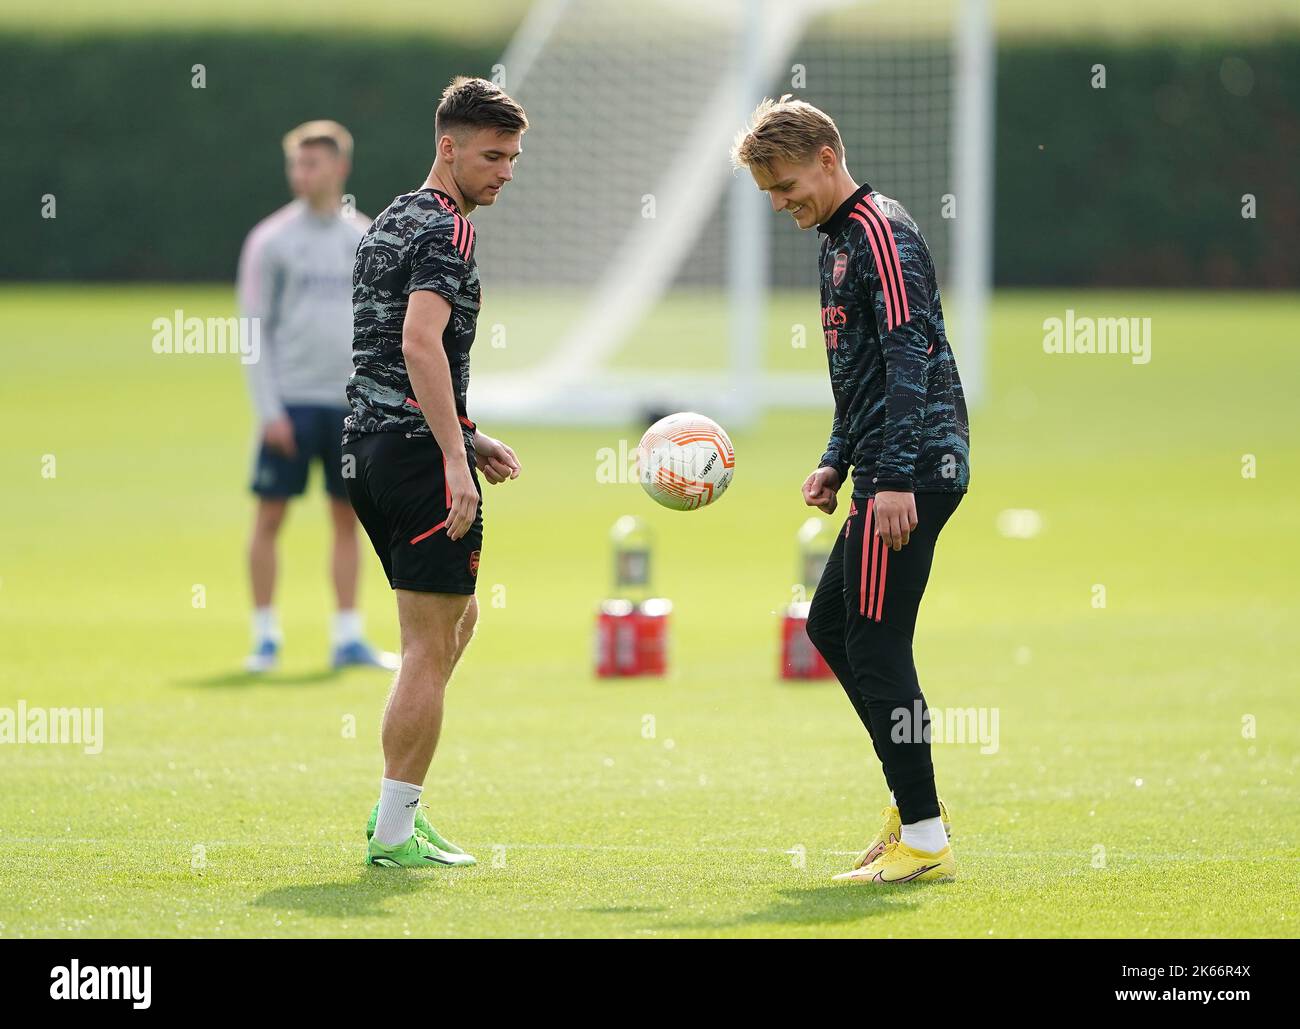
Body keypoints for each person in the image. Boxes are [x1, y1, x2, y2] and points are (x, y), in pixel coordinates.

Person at [733, 96, 971, 885]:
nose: (780, 202)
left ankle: (926, 832)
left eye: (788, 183)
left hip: (914, 467)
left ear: (829, 158)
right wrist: (838, 455)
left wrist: (893, 475)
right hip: (884, 462)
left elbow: (910, 355)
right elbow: (860, 372)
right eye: (769, 191)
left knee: (870, 639)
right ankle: (911, 807)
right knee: (833, 625)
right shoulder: (836, 239)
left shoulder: (879, 232)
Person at [344, 78, 527, 867]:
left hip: (368, 448)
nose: (505, 171)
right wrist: (453, 456)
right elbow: (421, 341)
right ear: (447, 147)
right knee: (427, 643)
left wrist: (470, 433)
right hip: (416, 458)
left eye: (514, 158)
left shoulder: (392, 215)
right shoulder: (449, 228)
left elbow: (387, 349)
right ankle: (392, 832)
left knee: (454, 623)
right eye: (492, 155)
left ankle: (399, 812)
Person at [237, 120, 397, 673]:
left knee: (346, 517)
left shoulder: (364, 237)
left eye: (312, 164)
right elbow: (253, 329)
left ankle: (348, 635)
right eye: (295, 164)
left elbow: (382, 325)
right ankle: (264, 637)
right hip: (293, 403)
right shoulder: (271, 240)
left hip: (350, 406)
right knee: (270, 517)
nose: (301, 175)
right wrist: (269, 410)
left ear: (339, 168)